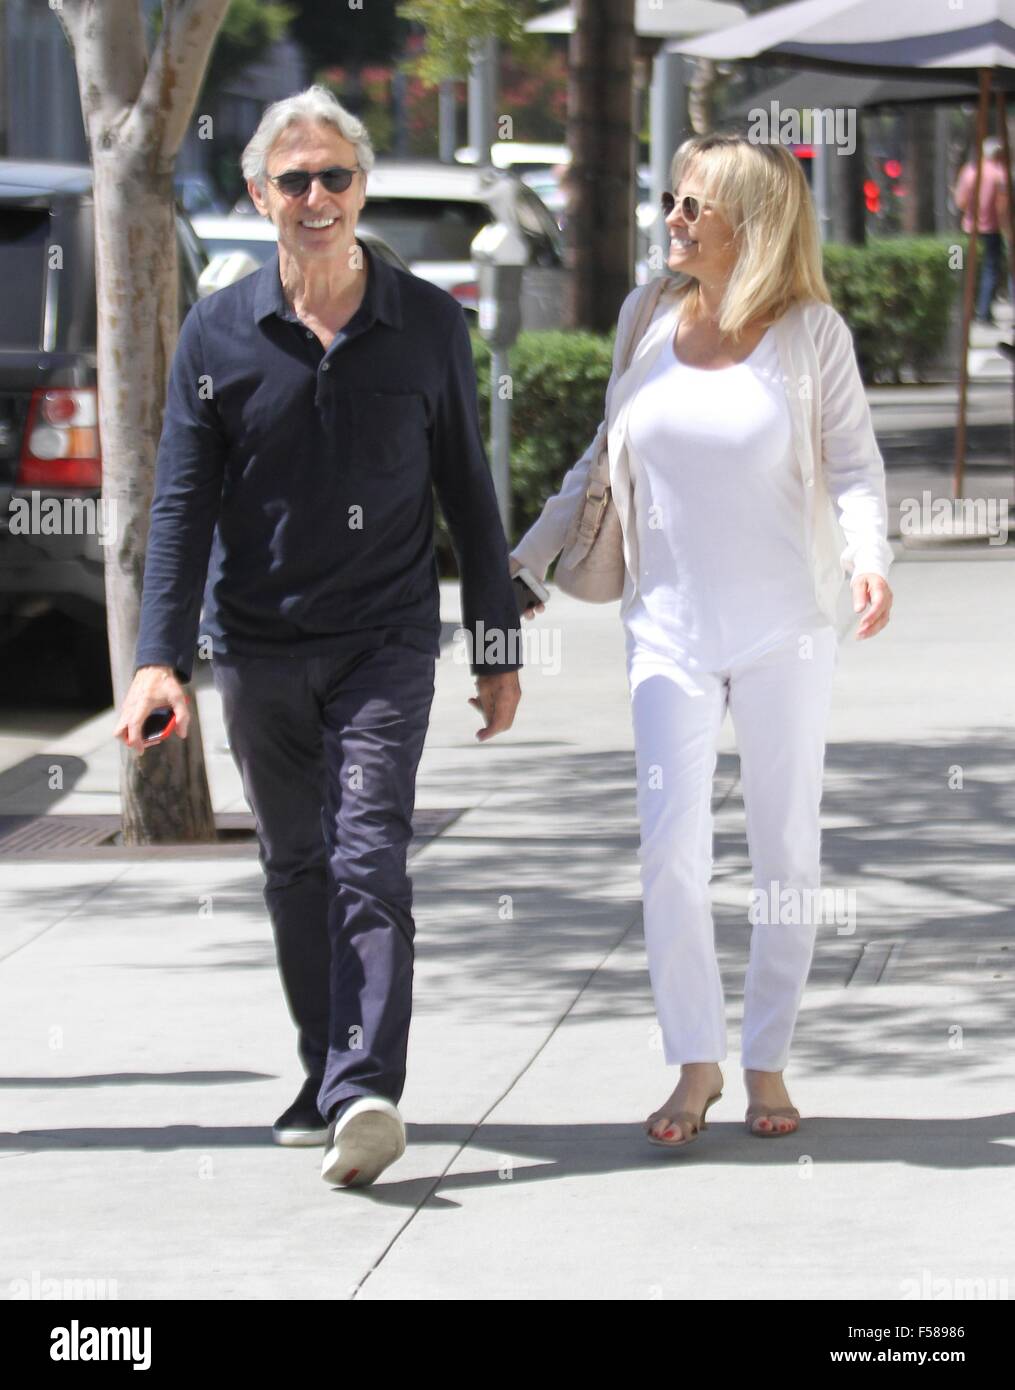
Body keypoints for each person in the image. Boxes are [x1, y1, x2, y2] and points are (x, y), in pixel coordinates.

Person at [114, 86, 523, 1188]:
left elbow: (469, 499)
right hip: (256, 646)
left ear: (360, 189)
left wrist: (494, 646)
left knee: (366, 853)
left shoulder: (429, 323)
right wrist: (160, 657)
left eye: (333, 177)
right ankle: (325, 1065)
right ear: (259, 193)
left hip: (385, 642)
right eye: (292, 179)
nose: (314, 197)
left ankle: (365, 1087)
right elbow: (181, 505)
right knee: (295, 863)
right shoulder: (219, 331)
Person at [509, 134, 894, 1148]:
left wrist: (869, 557)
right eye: (671, 201)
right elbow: (602, 459)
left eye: (694, 208)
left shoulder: (811, 335)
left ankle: (766, 1055)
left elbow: (853, 464)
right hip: (666, 629)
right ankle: (695, 1060)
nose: (671, 220)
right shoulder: (646, 315)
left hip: (786, 631)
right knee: (669, 846)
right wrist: (525, 561)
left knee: (784, 851)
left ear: (752, 225)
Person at [954, 136, 1012, 326]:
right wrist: (1007, 228)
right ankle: (983, 312)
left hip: (969, 228)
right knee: (990, 270)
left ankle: (965, 309)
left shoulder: (969, 171)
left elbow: (960, 202)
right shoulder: (1000, 174)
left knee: (967, 269)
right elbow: (1002, 205)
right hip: (991, 229)